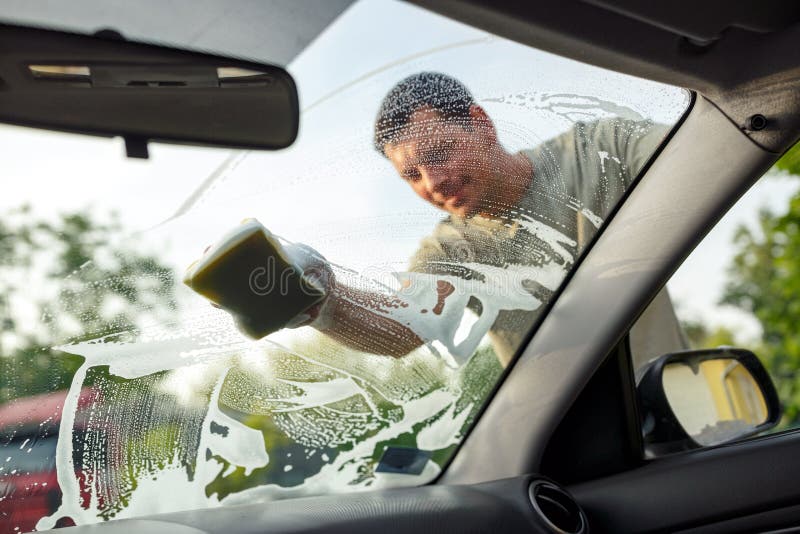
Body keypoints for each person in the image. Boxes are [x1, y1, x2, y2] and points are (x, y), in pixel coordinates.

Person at [282, 72, 686, 367]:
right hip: (562, 445)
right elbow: (403, 327)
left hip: (683, 414)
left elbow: (709, 154)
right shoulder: (450, 252)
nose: (433, 183)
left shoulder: (601, 149)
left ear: (482, 123)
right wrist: (318, 301)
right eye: (411, 175)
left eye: (439, 153)